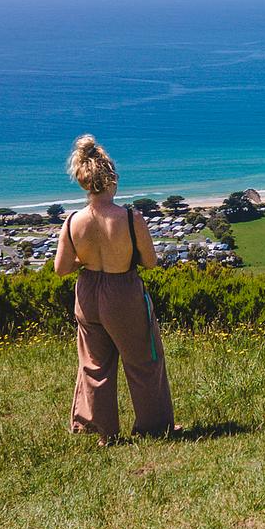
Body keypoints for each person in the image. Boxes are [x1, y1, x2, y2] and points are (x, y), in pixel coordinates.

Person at [55, 134, 177, 443]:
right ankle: (155, 427)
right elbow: (150, 262)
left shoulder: (72, 221)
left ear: (84, 182)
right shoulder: (129, 217)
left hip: (87, 293)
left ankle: (103, 432)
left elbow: (61, 269)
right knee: (144, 362)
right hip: (123, 290)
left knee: (95, 365)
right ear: (111, 178)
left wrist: (86, 262)